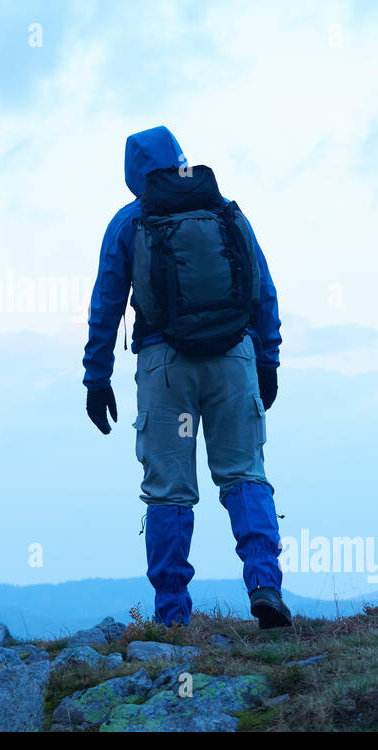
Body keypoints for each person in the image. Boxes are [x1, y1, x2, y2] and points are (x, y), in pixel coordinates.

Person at [82, 126, 291, 628]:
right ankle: (264, 585)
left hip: (165, 366)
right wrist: (268, 361)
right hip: (233, 360)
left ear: (133, 174)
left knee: (169, 491)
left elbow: (106, 304)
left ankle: (173, 615)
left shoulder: (129, 221)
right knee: (244, 475)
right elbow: (262, 289)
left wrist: (97, 377)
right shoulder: (225, 212)